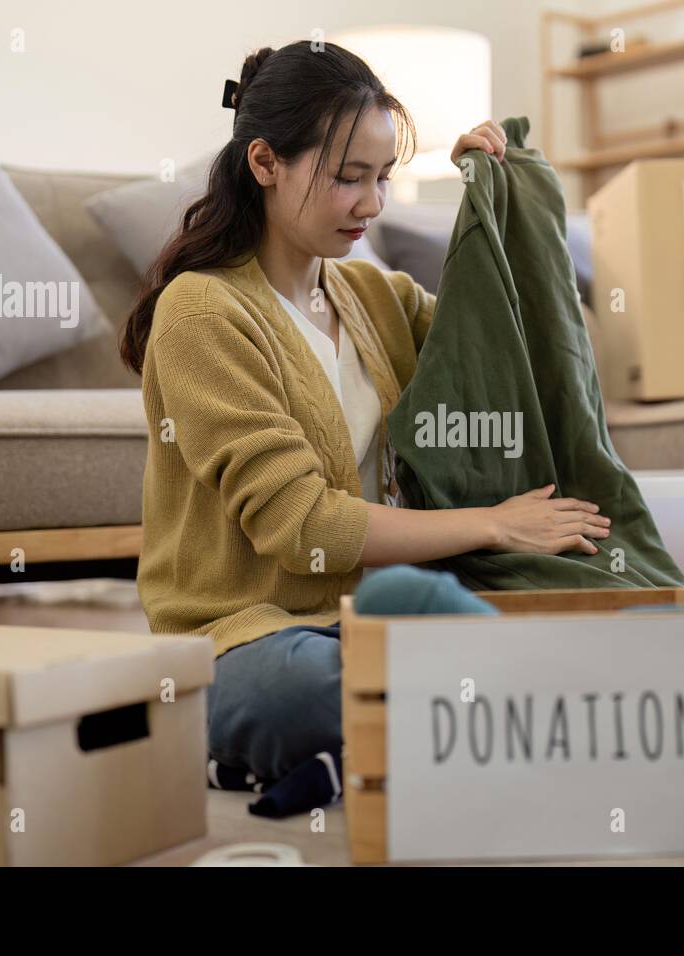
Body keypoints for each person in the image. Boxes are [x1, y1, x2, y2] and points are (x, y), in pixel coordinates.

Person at [119, 41, 613, 783]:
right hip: (248, 637)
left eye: (383, 178)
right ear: (264, 163)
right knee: (308, 688)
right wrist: (495, 524)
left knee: (520, 613)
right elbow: (306, 527)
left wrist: (490, 197)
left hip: (378, 616)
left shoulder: (377, 298)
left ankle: (425, 717)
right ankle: (471, 708)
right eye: (350, 178)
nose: (373, 205)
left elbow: (505, 350)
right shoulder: (201, 312)